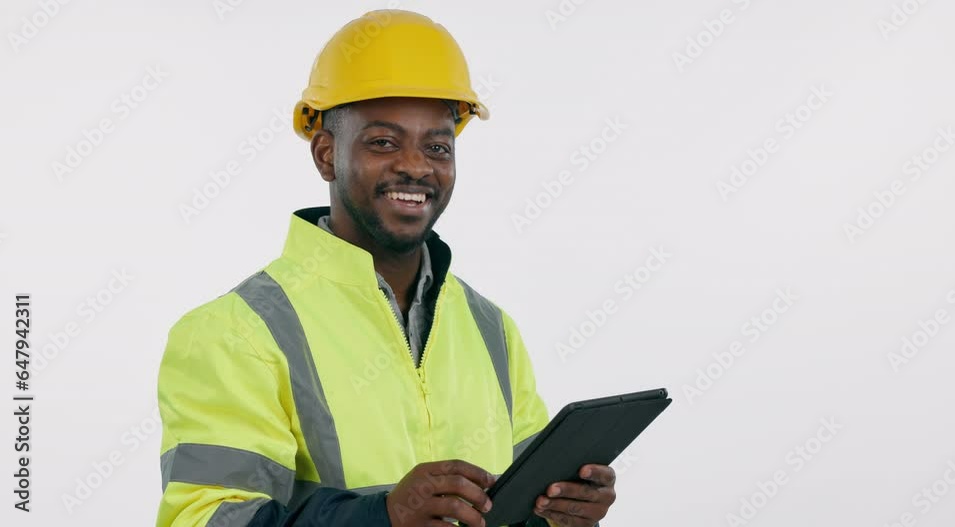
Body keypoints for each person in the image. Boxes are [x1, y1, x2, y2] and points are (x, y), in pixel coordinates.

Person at [156, 10, 617, 527]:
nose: (416, 166)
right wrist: (381, 517)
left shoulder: (492, 331)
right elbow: (206, 519)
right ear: (326, 154)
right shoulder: (233, 333)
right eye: (383, 142)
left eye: (437, 146)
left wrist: (559, 513)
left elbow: (513, 510)